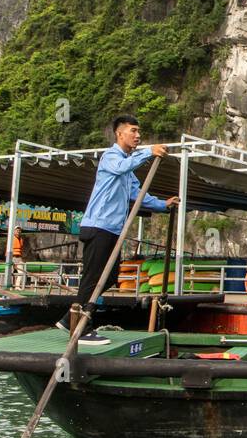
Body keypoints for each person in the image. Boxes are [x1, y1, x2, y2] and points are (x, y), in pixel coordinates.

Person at [60, 115, 179, 346]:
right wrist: (148, 152)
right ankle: (81, 328)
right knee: (93, 279)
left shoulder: (128, 171)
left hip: (112, 230)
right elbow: (122, 166)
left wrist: (163, 205)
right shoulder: (111, 157)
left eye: (138, 132)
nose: (137, 136)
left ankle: (69, 319)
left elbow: (138, 195)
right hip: (98, 226)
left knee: (111, 276)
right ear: (119, 133)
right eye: (133, 131)